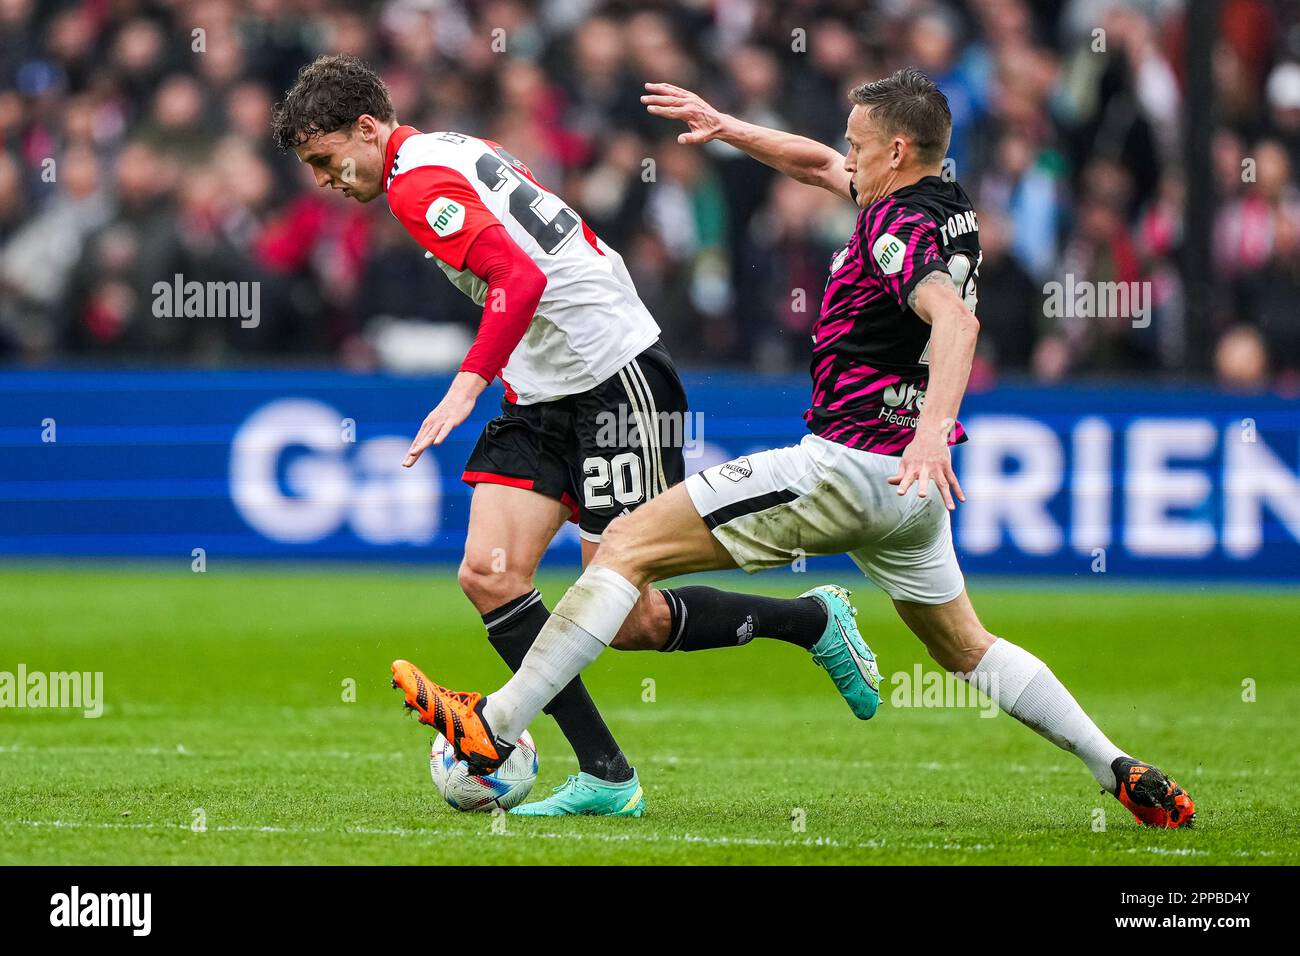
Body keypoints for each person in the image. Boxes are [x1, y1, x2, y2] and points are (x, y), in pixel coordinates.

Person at [390, 68, 1196, 829]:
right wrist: (727, 125)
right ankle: (1114, 765)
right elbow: (814, 165)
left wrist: (927, 437)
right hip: (906, 506)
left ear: (896, 151)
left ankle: (495, 726)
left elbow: (955, 320)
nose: (842, 154)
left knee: (624, 548)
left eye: (855, 142)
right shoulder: (938, 203)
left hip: (849, 467)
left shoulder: (898, 229)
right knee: (965, 647)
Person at [273, 55, 882, 816]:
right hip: (543, 387)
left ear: (368, 128)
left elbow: (520, 281)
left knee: (630, 618)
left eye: (327, 160)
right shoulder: (449, 148)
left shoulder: (414, 182)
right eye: (312, 169)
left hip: (612, 374)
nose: (326, 179)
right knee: (490, 574)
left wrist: (465, 386)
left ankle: (813, 618)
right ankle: (607, 774)